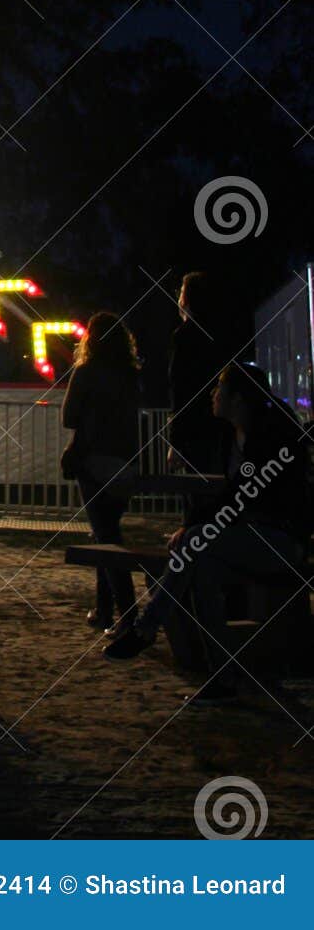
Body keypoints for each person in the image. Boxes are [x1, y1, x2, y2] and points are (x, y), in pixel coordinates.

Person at [103, 364, 309, 702]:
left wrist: (197, 529)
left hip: (280, 540)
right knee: (202, 571)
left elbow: (242, 495)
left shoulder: (272, 436)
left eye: (219, 388)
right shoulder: (234, 434)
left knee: (194, 549)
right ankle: (220, 677)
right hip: (250, 538)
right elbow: (230, 492)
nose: (212, 395)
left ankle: (146, 627)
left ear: (238, 399)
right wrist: (194, 526)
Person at [61, 313, 142, 635]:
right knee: (106, 531)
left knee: (106, 538)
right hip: (126, 461)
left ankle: (127, 611)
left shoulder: (85, 372)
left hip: (94, 460)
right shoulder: (130, 375)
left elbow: (70, 418)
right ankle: (105, 608)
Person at [167, 272, 229, 478]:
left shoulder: (185, 336)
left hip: (194, 429)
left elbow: (181, 388)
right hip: (221, 423)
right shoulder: (219, 333)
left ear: (187, 300)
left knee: (196, 488)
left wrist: (175, 441)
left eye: (182, 293)